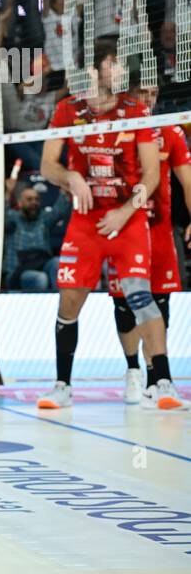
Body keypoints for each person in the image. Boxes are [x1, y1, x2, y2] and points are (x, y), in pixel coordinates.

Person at [36, 40, 185, 412]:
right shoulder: (68, 110)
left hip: (128, 217)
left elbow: (151, 176)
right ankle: (62, 385)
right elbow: (46, 166)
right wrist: (70, 176)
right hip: (86, 220)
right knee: (70, 298)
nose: (122, 72)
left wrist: (125, 212)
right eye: (115, 65)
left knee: (138, 293)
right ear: (96, 70)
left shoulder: (136, 111)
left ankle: (161, 380)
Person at [105, 86, 191, 404]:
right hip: (123, 230)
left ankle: (158, 378)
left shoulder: (169, 131)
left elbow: (188, 179)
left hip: (159, 233)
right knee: (126, 306)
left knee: (159, 305)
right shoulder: (112, 128)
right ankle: (133, 371)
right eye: (143, 92)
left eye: (154, 92)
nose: (150, 98)